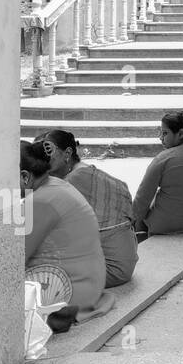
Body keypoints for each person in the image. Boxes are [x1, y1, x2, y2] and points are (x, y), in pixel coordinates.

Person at [39, 130, 137, 287]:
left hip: (109, 270)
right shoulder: (84, 171)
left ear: (68, 153)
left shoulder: (72, 182)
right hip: (124, 264)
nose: (41, 159)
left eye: (47, 151)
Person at [21, 141, 107, 317]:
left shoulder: (39, 201)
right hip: (89, 285)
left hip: (68, 293)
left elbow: (15, 258)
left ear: (25, 177)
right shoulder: (54, 185)